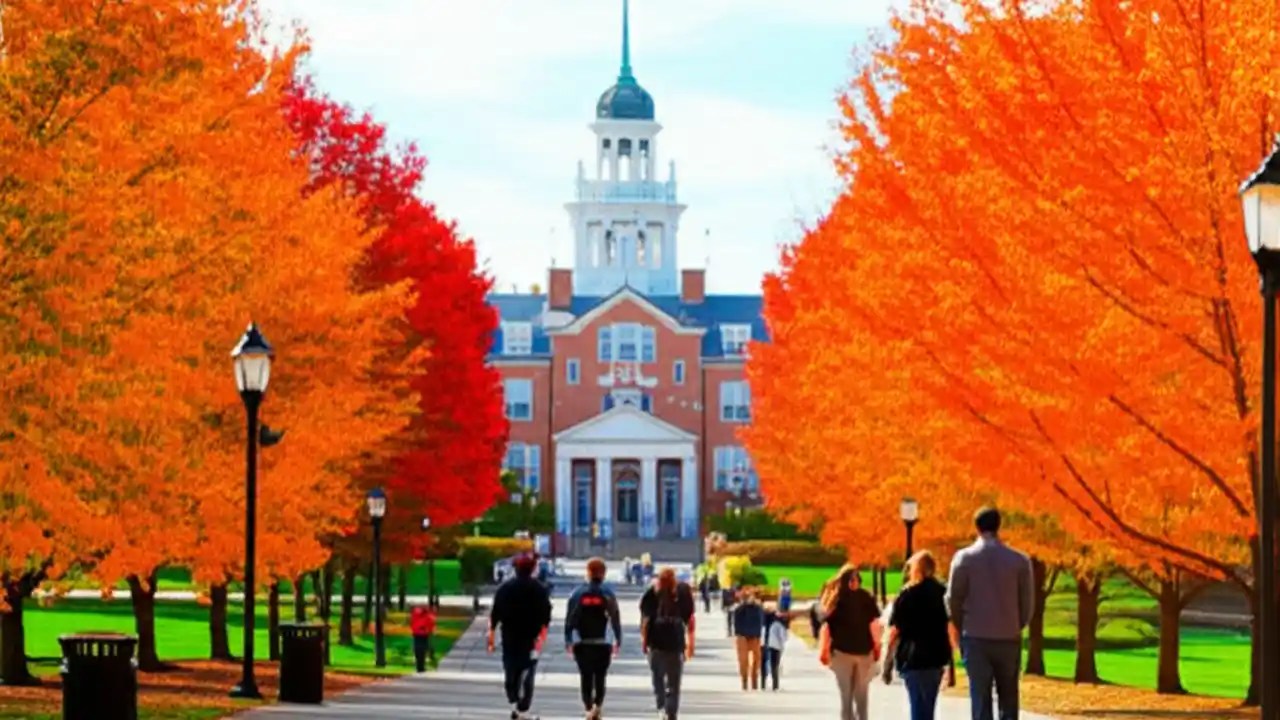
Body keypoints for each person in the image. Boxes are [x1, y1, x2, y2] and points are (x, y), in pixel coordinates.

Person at [947, 507, 1034, 720]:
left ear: (976, 527)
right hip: (1008, 637)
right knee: (1009, 698)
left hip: (975, 637)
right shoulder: (1020, 561)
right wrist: (1016, 624)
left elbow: (953, 599)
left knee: (980, 698)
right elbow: (1027, 602)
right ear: (999, 525)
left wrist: (959, 627)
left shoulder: (964, 559)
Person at [888, 551, 952, 720]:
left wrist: (887, 660)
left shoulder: (906, 595)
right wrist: (951, 660)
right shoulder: (943, 593)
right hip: (936, 656)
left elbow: (895, 630)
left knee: (916, 703)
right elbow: (949, 627)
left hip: (912, 656)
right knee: (929, 705)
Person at [488, 553, 553, 720]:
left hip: (510, 637)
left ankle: (515, 701)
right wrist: (542, 637)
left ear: (515, 569)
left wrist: (491, 636)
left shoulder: (504, 589)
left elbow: (495, 615)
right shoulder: (540, 589)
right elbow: (546, 616)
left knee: (511, 671)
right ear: (532, 569)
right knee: (528, 671)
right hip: (531, 638)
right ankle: (523, 707)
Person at [819, 566, 882, 720]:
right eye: (853, 579)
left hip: (847, 653)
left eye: (857, 579)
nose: (855, 582)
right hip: (853, 653)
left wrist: (824, 651)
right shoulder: (864, 598)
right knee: (857, 697)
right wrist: (877, 646)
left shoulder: (835, 600)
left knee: (851, 697)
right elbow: (874, 625)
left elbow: (826, 627)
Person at [565, 557, 622, 720]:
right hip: (603, 643)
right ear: (603, 574)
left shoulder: (577, 594)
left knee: (586, 676)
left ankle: (588, 706)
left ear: (587, 573)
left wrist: (568, 639)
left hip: (582, 643)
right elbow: (615, 618)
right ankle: (598, 705)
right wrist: (618, 639)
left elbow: (569, 620)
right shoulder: (608, 594)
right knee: (600, 676)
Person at [640, 567, 696, 720]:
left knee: (658, 679)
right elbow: (690, 620)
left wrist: (644, 642)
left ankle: (662, 708)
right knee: (674, 682)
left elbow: (645, 620)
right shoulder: (683, 593)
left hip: (655, 643)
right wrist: (691, 643)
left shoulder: (651, 593)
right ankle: (671, 711)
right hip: (676, 643)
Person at [732, 587, 765, 690]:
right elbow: (736, 621)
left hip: (755, 635)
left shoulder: (758, 608)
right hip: (742, 636)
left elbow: (762, 620)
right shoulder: (739, 609)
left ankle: (754, 681)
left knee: (757, 660)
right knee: (743, 661)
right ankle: (745, 681)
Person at [761, 603, 789, 691]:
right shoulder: (778, 623)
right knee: (774, 666)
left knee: (763, 665)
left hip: (763, 645)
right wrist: (781, 644)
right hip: (775, 646)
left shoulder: (763, 622)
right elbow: (784, 637)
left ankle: (763, 684)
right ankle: (775, 685)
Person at [409, 604, 437, 672]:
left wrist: (413, 629)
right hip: (424, 634)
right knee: (423, 649)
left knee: (417, 649)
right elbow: (431, 623)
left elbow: (412, 622)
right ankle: (421, 666)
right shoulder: (428, 615)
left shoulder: (415, 614)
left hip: (416, 633)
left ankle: (418, 666)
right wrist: (431, 631)